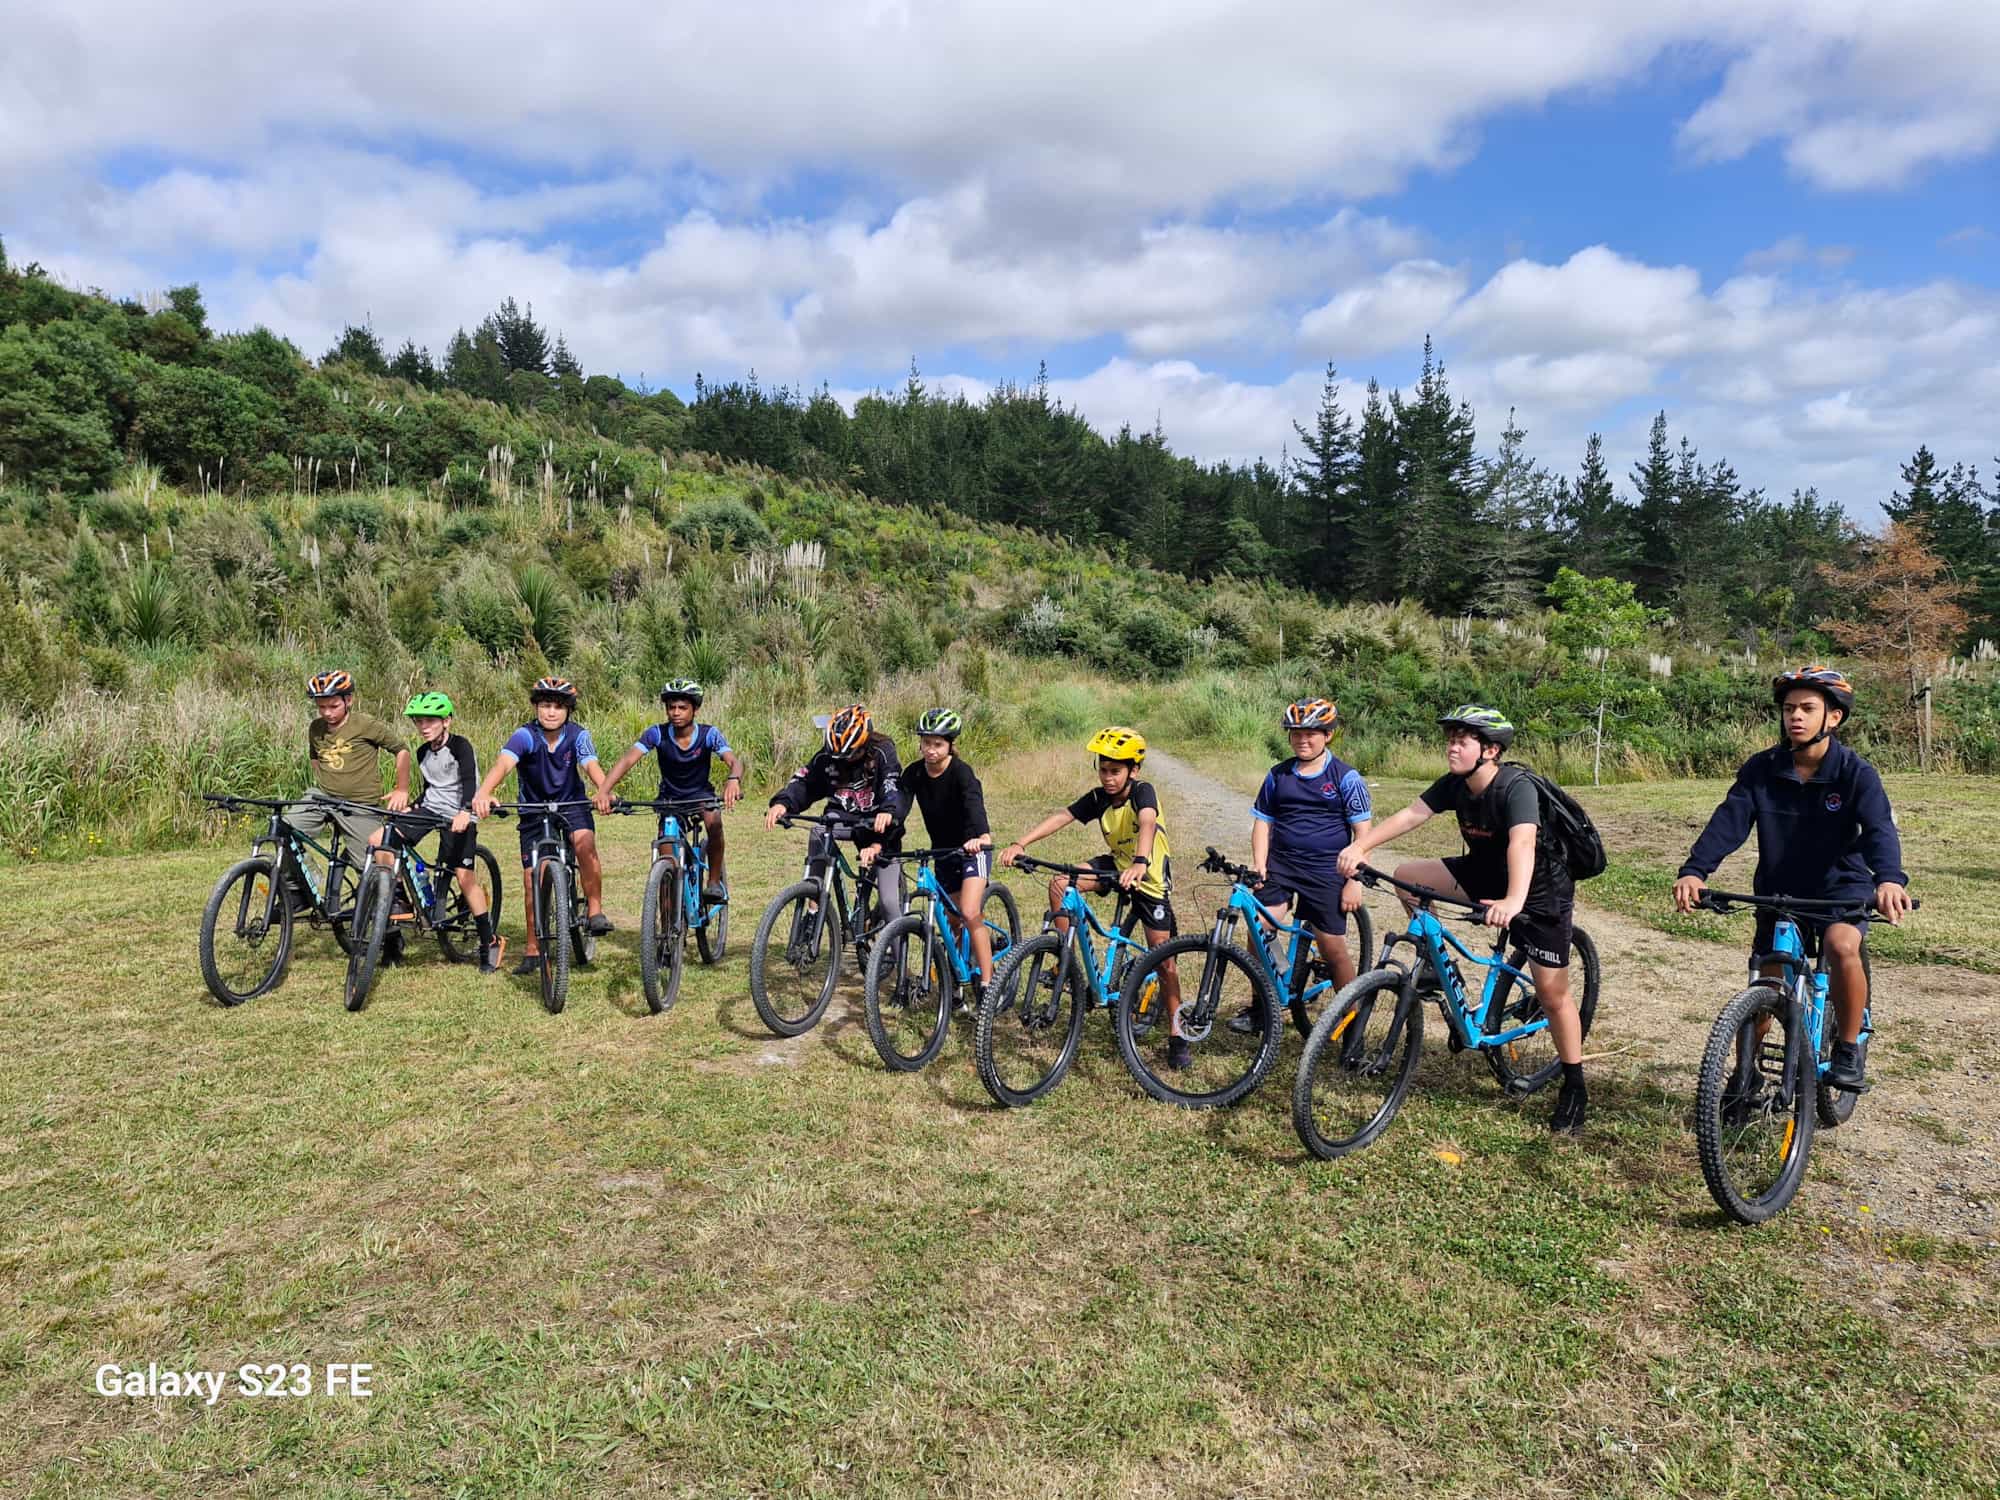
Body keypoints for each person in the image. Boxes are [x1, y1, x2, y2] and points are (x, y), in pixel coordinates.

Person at [1336, 705, 1589, 1134]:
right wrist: (1363, 847)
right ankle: (1435, 970)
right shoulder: (1456, 784)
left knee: (1552, 992)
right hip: (1484, 873)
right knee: (1407, 879)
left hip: (1540, 889)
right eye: (1451, 738)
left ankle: (1574, 1084)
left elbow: (1523, 844)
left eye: (1462, 740)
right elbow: (1411, 815)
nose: (1452, 746)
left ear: (1490, 750)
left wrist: (1513, 899)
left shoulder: (1516, 787)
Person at [1672, 665, 1911, 1091]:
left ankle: (1849, 1047)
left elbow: (1879, 830)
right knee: (1768, 980)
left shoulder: (1856, 774)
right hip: (1780, 891)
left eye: (1807, 708)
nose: (1795, 717)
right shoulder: (1763, 768)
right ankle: (1745, 1074)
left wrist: (1890, 880)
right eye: (1788, 709)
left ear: (1833, 717)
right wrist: (1695, 870)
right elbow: (1729, 821)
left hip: (1840, 890)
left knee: (1841, 945)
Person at [998, 726, 1187, 1066]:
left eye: (1115, 771)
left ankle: (1177, 1032)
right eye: (1103, 770)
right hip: (1116, 865)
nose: (1108, 777)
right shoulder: (1100, 797)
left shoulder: (1144, 792)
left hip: (1149, 876)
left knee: (1165, 961)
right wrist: (1021, 843)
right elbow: (1063, 816)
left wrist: (1142, 862)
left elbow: (1147, 823)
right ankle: (1063, 959)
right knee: (1060, 884)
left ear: (1134, 770)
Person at [1234, 697, 1373, 1031]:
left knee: (1332, 948)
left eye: (1312, 733)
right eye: (1296, 733)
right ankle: (1261, 1008)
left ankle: (1353, 1022)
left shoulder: (1346, 777)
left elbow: (1363, 834)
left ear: (1328, 735)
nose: (1303, 740)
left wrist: (1354, 880)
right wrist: (1259, 864)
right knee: (1257, 930)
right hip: (1281, 864)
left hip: (1327, 870)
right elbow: (1262, 822)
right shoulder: (1278, 775)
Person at [470, 677, 611, 976]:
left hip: (572, 804)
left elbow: (590, 765)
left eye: (558, 707)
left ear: (568, 711)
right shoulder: (524, 735)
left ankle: (595, 910)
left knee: (585, 844)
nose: (551, 712)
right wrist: (484, 793)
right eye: (545, 705)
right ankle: (533, 948)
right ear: (535, 707)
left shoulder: (578, 735)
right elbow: (504, 764)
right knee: (531, 879)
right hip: (533, 811)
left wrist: (603, 790)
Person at [381, 692, 504, 974]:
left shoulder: (460, 746)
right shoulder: (423, 752)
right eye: (419, 722)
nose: (424, 727)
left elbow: (470, 781)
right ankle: (399, 897)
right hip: (432, 809)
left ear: (446, 721)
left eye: (430, 721)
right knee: (383, 840)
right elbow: (429, 790)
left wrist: (465, 811)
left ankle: (488, 940)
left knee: (463, 878)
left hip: (460, 812)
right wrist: (412, 807)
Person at [595, 678, 744, 901]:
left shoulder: (709, 734)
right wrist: (603, 791)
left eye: (682, 708)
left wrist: (733, 779)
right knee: (666, 864)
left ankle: (713, 881)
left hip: (700, 795)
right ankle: (666, 930)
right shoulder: (657, 733)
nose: (676, 712)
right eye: (671, 707)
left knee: (715, 823)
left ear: (695, 709)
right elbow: (627, 761)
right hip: (669, 800)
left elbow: (734, 761)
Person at [762, 704, 907, 926]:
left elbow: (892, 785)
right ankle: (814, 903)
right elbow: (805, 782)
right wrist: (783, 803)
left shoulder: (882, 751)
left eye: (851, 754)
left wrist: (888, 811)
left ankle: (892, 950)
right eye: (838, 755)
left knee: (888, 903)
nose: (844, 760)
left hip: (878, 825)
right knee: (819, 831)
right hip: (841, 817)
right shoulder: (828, 757)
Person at [896, 708, 996, 992]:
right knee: (951, 919)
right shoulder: (914, 773)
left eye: (938, 744)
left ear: (950, 745)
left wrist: (982, 835)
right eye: (926, 742)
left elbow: (974, 804)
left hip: (972, 848)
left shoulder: (961, 772)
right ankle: (959, 971)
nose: (930, 750)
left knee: (969, 911)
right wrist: (889, 824)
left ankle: (988, 983)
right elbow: (901, 805)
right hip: (942, 852)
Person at [293, 670, 410, 870]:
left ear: (349, 700)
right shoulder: (315, 727)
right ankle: (298, 890)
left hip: (360, 804)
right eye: (321, 707)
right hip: (324, 797)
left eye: (333, 706)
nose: (327, 713)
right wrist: (325, 780)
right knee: (285, 830)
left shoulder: (365, 725)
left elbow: (401, 750)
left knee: (371, 865)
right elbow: (315, 756)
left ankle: (393, 898)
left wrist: (402, 789)